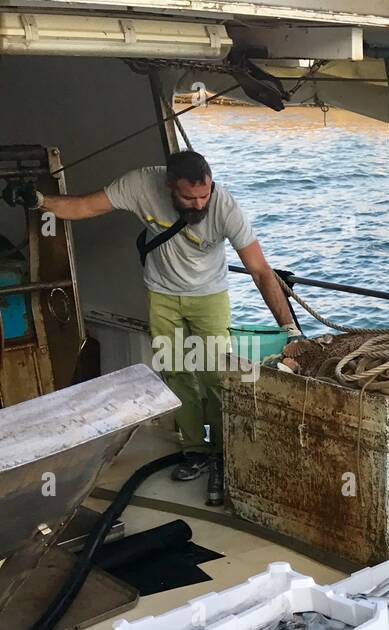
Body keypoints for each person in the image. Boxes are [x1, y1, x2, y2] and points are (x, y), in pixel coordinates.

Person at [4, 151, 299, 505]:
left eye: (204, 194)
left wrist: (289, 327)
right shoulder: (141, 183)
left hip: (209, 297)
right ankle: (194, 451)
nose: (199, 203)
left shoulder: (224, 207)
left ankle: (221, 454)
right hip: (161, 295)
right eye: (189, 197)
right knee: (176, 373)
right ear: (168, 185)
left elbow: (261, 271)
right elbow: (84, 207)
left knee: (214, 375)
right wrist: (38, 201)